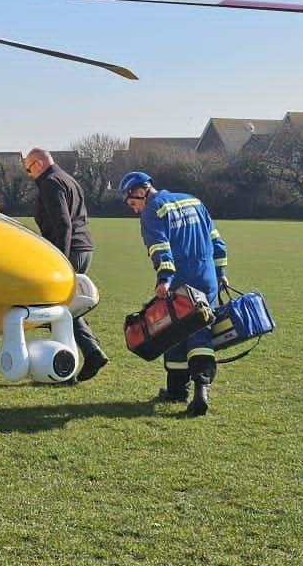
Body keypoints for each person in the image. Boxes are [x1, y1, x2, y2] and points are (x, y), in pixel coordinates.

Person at [119, 170, 229, 416]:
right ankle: (188, 390)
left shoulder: (152, 211)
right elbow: (217, 242)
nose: (133, 208)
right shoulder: (194, 201)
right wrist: (221, 271)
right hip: (207, 276)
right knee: (197, 331)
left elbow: (160, 248)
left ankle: (190, 391)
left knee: (175, 331)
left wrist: (164, 279)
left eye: (132, 202)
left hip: (181, 281)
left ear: (139, 191)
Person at [24, 148, 109, 382]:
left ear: (39, 163)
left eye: (29, 169)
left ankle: (66, 368)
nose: (30, 175)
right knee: (65, 308)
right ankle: (91, 353)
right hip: (83, 248)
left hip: (69, 251)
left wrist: (58, 259)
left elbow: (63, 224)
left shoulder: (50, 182)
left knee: (55, 309)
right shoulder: (67, 178)